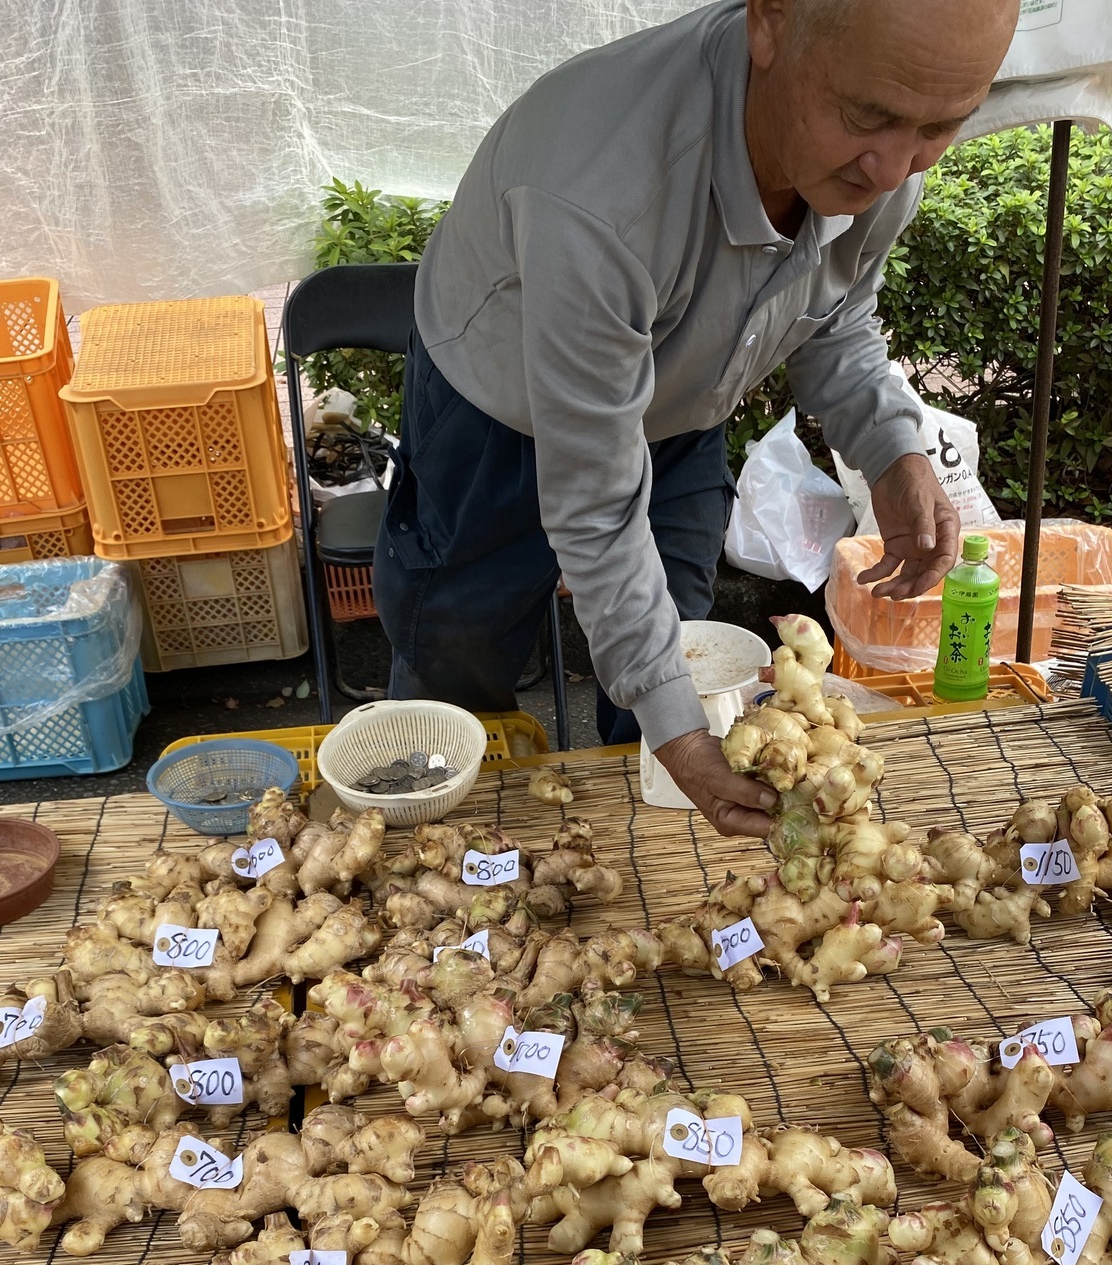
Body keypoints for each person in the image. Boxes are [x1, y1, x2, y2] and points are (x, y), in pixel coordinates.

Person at [373, 0, 1018, 836]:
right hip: (496, 414)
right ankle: (438, 855)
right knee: (455, 668)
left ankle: (638, 870)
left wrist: (893, 454)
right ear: (771, 22)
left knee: (678, 659)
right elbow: (596, 506)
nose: (895, 169)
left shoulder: (880, 138)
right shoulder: (601, 188)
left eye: (942, 127)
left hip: (678, 408)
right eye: (870, 116)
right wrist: (680, 733)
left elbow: (834, 312)